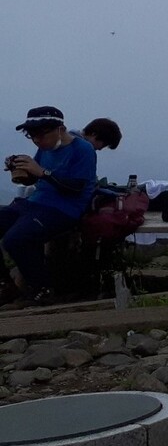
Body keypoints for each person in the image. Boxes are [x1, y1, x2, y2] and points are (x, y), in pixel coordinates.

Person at [0, 107, 98, 305]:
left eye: (41, 134)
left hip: (63, 209)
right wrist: (21, 169)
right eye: (32, 135)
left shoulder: (82, 150)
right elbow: (34, 181)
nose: (36, 139)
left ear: (60, 129)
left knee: (16, 239)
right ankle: (5, 285)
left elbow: (76, 188)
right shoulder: (45, 148)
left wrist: (43, 172)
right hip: (33, 203)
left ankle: (43, 289)